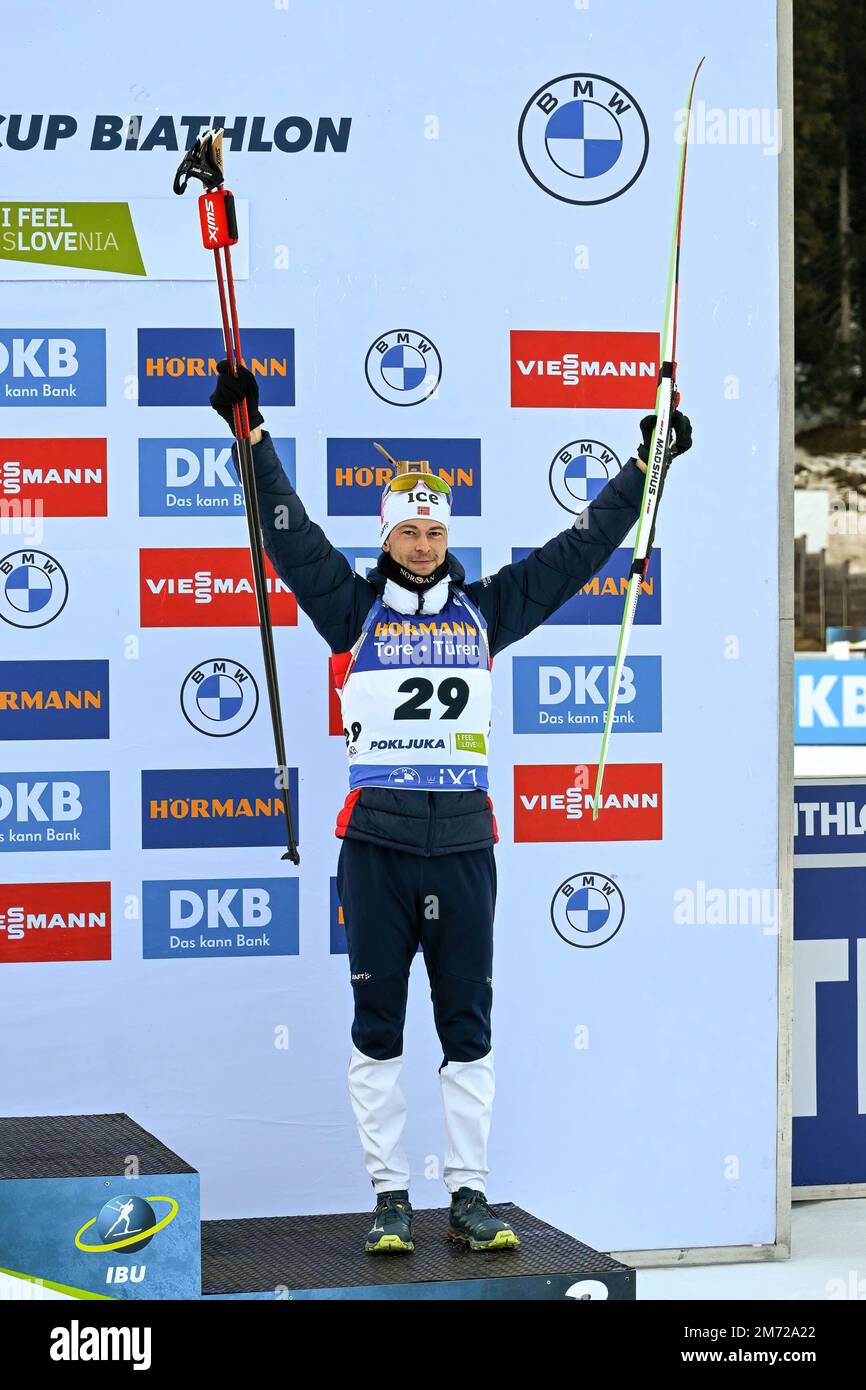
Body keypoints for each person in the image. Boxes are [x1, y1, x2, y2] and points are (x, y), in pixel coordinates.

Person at [210, 362, 692, 1254]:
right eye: (409, 530)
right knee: (378, 1028)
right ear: (387, 537)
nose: (424, 544)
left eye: (434, 530)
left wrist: (643, 469)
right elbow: (289, 534)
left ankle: (469, 1194)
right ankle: (390, 1197)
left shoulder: (487, 610)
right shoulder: (350, 609)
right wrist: (253, 443)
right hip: (377, 848)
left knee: (468, 1028)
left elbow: (576, 552)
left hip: (465, 846)